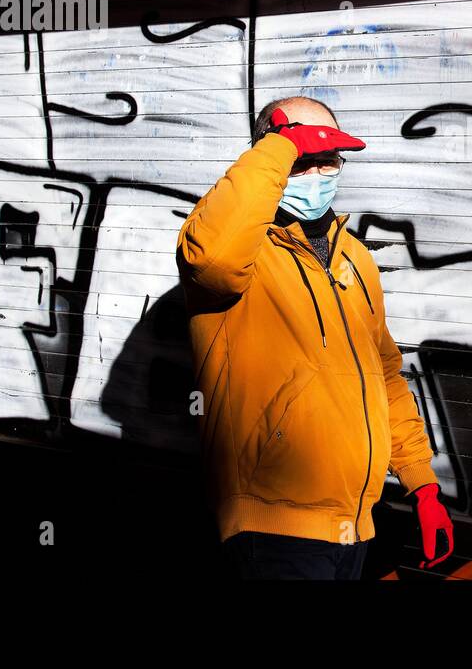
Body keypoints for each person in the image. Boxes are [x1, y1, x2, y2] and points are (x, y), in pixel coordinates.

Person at [176, 96, 454, 579]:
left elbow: (384, 373)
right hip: (273, 526)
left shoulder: (356, 257)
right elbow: (210, 259)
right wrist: (281, 145)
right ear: (275, 156)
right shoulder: (240, 251)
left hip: (355, 526)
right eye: (306, 157)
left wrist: (421, 483)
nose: (322, 169)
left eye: (331, 157)